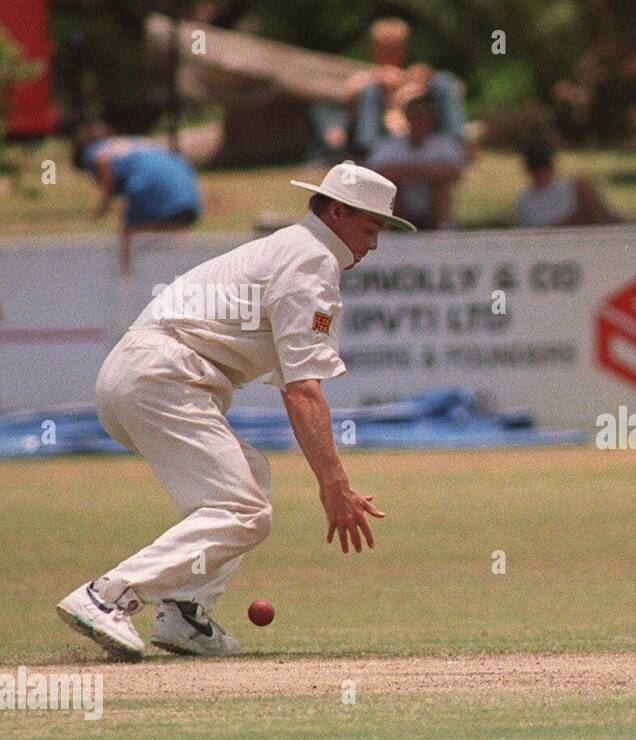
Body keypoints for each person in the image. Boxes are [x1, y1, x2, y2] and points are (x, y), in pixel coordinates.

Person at [55, 164, 414, 662]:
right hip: (163, 376)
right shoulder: (311, 262)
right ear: (338, 212)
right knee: (244, 512)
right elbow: (302, 389)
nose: (374, 244)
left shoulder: (290, 248)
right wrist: (333, 483)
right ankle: (109, 595)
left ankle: (185, 612)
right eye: (371, 228)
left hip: (139, 376)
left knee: (247, 476)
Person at [312, 17, 467, 161]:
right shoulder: (365, 77)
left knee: (443, 80)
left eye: (395, 48)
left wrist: (422, 82)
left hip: (411, 130)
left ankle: (454, 144)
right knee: (369, 91)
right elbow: (341, 98)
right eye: (384, 49)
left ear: (404, 49)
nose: (390, 54)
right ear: (373, 49)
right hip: (374, 135)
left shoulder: (414, 75)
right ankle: (370, 151)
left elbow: (458, 89)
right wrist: (379, 80)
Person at [73, 122, 202, 267]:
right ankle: (187, 256)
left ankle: (125, 280)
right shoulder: (130, 143)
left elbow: (101, 161)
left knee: (129, 234)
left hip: (153, 185)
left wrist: (102, 208)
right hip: (189, 191)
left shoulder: (94, 150)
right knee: (172, 227)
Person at [367, 95, 467, 230]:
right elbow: (375, 173)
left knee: (442, 187)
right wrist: (425, 171)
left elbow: (454, 172)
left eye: (423, 116)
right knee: (393, 187)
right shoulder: (390, 144)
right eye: (415, 116)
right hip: (402, 205)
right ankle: (396, 228)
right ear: (407, 118)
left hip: (431, 206)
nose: (419, 120)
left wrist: (408, 172)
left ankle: (443, 228)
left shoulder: (445, 143)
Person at [514, 144, 620, 228]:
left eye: (545, 167)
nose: (541, 172)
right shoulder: (526, 200)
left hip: (585, 227)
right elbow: (541, 229)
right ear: (530, 170)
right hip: (560, 236)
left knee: (583, 183)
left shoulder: (565, 186)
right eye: (536, 169)